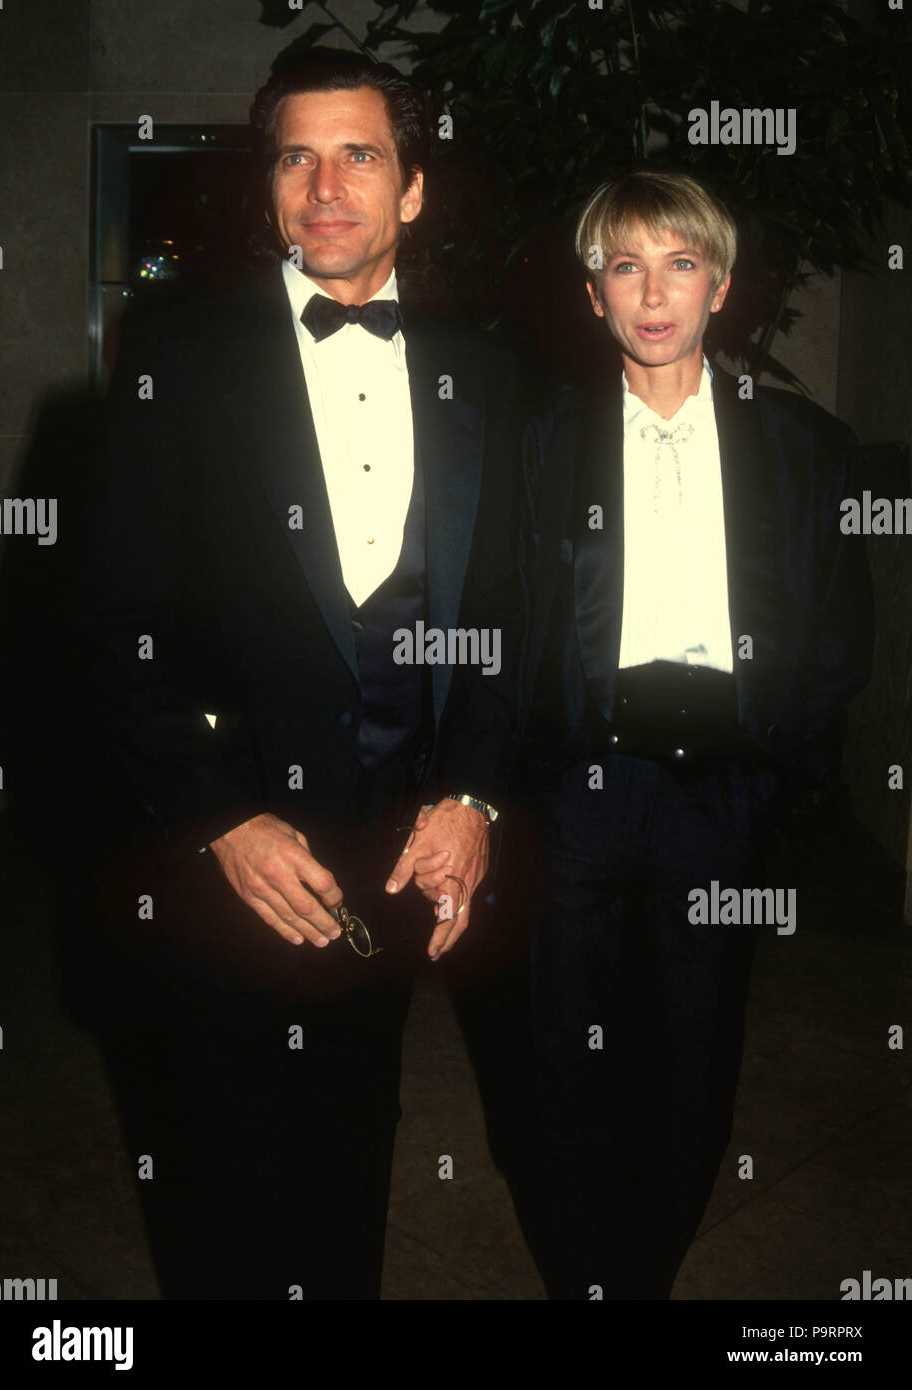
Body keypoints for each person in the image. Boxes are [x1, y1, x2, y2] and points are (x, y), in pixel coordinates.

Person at [75, 47, 520, 1300]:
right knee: (221, 1181)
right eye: (296, 157)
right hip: (221, 860)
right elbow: (112, 621)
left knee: (349, 1158)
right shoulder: (173, 361)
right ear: (268, 189)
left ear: (413, 189)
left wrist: (473, 797)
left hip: (390, 861)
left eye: (360, 154)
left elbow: (509, 616)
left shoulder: (485, 374)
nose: (326, 185)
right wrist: (217, 811)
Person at [519, 170, 873, 1300]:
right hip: (582, 787)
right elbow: (504, 625)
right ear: (594, 294)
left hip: (723, 790)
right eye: (626, 265)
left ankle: (647, 1275)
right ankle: (581, 1274)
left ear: (720, 284)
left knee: (693, 1058)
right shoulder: (541, 441)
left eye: (679, 262)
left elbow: (834, 637)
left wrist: (782, 790)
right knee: (561, 1060)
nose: (653, 291)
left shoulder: (805, 445)